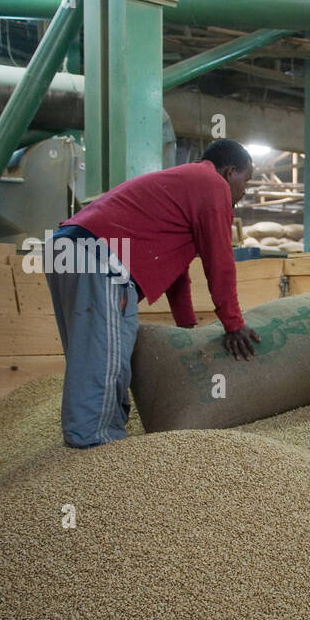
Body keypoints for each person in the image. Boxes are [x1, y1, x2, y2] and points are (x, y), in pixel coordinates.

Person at [44, 139, 262, 448]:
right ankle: (95, 445)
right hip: (100, 257)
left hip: (69, 249)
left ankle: (96, 435)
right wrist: (234, 324)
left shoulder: (188, 184)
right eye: (246, 181)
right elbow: (220, 262)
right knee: (105, 358)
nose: (244, 192)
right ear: (229, 172)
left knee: (95, 353)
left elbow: (177, 273)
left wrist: (186, 326)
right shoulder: (213, 186)